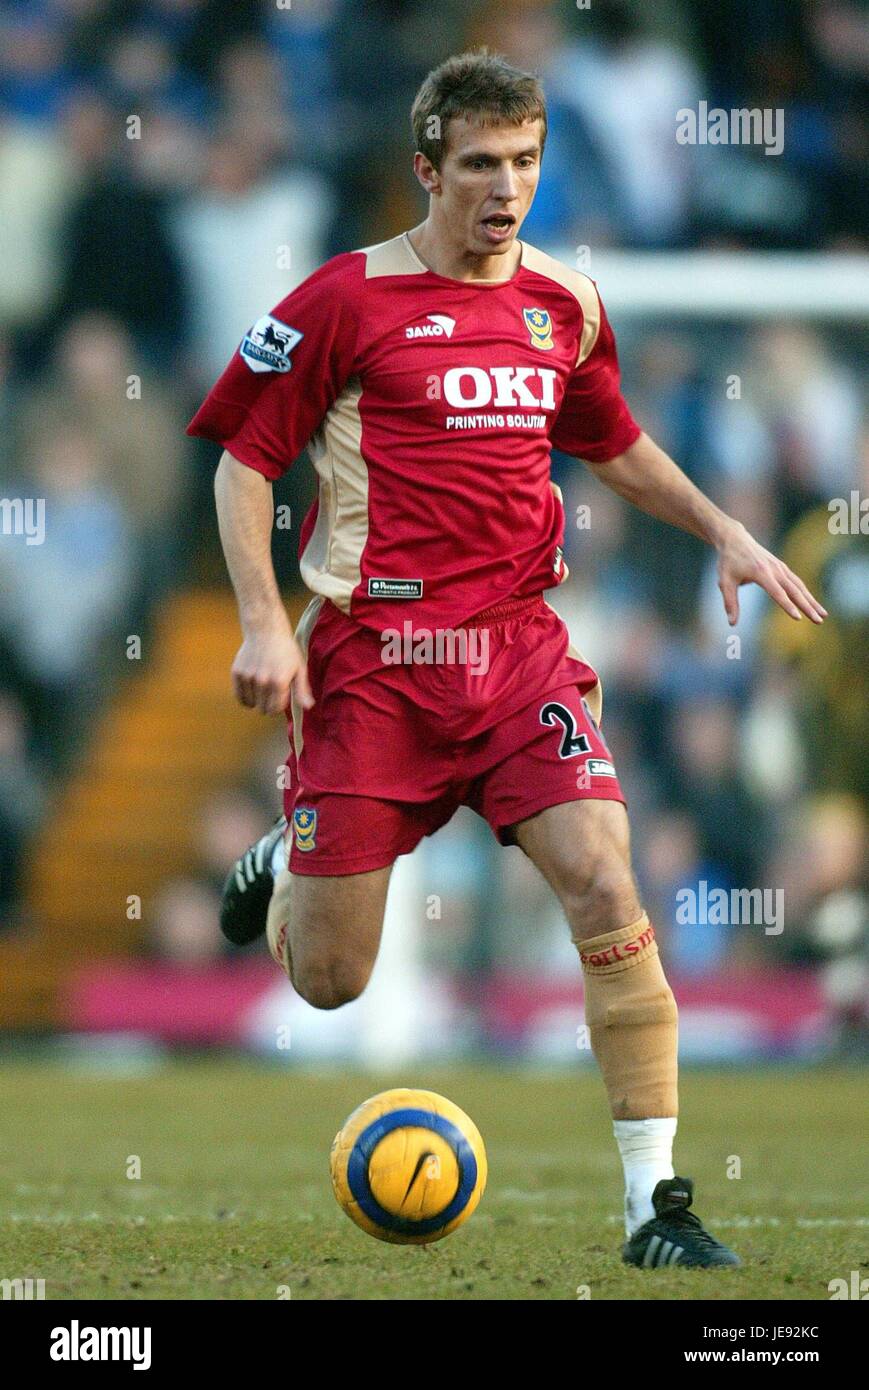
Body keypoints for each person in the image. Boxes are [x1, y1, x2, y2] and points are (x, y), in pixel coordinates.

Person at [188, 51, 825, 1269]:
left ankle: (655, 1207)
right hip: (372, 663)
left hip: (519, 654)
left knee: (603, 878)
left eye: (524, 162)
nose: (504, 187)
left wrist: (725, 531)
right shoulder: (338, 301)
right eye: (479, 165)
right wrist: (266, 619)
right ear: (425, 169)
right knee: (329, 982)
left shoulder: (564, 304)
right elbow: (239, 459)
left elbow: (614, 443)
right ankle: (286, 865)